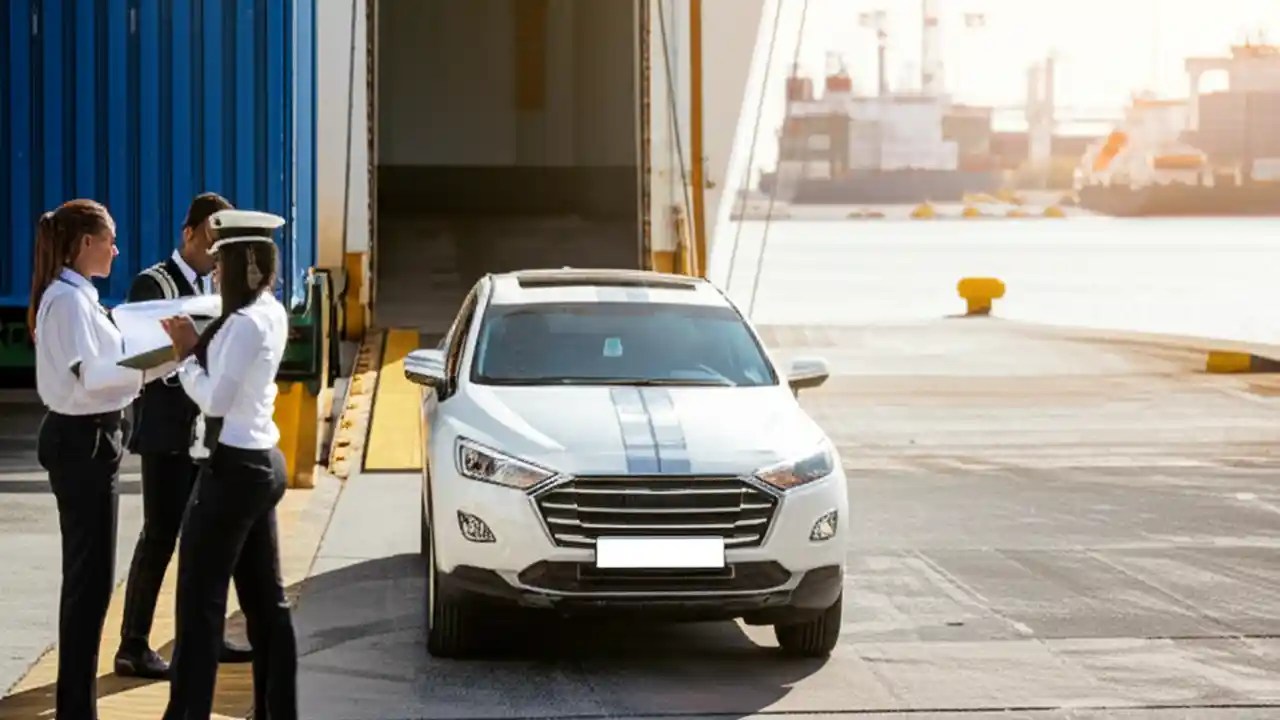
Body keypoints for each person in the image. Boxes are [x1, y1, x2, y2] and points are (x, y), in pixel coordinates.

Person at [30, 199, 177, 720]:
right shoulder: (68, 303)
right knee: (88, 585)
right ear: (85, 244)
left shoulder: (77, 298)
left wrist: (155, 360)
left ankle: (79, 707)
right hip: (82, 442)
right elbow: (92, 376)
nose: (117, 249)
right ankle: (76, 710)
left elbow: (103, 365)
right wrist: (165, 360)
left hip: (93, 439)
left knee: (91, 584)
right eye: (109, 240)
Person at [160, 209, 297, 720]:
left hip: (233, 472)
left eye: (221, 263)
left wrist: (185, 355)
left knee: (199, 606)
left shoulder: (241, 324)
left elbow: (214, 401)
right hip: (262, 465)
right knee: (267, 605)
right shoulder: (271, 312)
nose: (214, 272)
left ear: (239, 263)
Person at [115, 192, 254, 679]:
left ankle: (205, 635)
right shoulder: (152, 283)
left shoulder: (221, 287)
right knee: (160, 535)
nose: (216, 253)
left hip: (207, 431)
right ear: (189, 232)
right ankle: (132, 643)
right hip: (168, 432)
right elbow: (142, 352)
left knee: (209, 539)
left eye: (224, 246)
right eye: (211, 240)